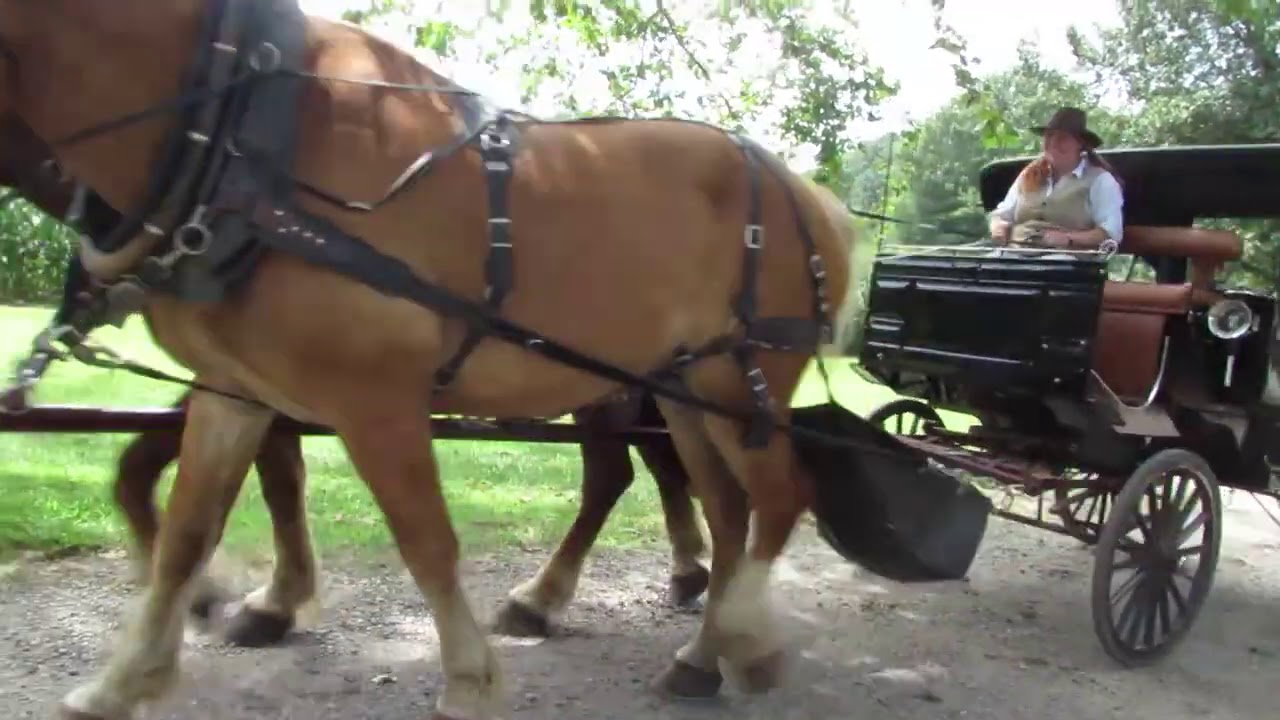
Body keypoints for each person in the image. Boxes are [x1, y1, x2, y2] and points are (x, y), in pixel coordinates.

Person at [987, 106, 1124, 258]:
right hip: (1014, 253)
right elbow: (1002, 215)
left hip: (1066, 259)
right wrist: (998, 226)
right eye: (1049, 136)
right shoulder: (1029, 174)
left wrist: (1069, 238)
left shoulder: (1101, 180)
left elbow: (1111, 233)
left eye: (1062, 138)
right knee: (989, 263)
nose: (1052, 142)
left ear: (1080, 143)